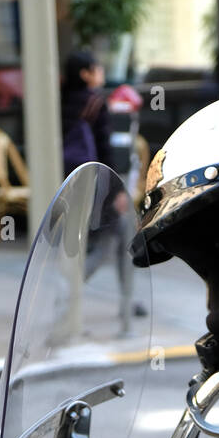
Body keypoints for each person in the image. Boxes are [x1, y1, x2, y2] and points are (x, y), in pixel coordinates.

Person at [59, 50, 141, 335]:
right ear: (85, 74)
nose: (102, 72)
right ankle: (66, 304)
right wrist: (117, 190)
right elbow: (106, 150)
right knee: (111, 243)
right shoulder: (95, 102)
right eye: (97, 68)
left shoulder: (60, 100)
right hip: (96, 185)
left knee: (95, 245)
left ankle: (74, 304)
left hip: (69, 185)